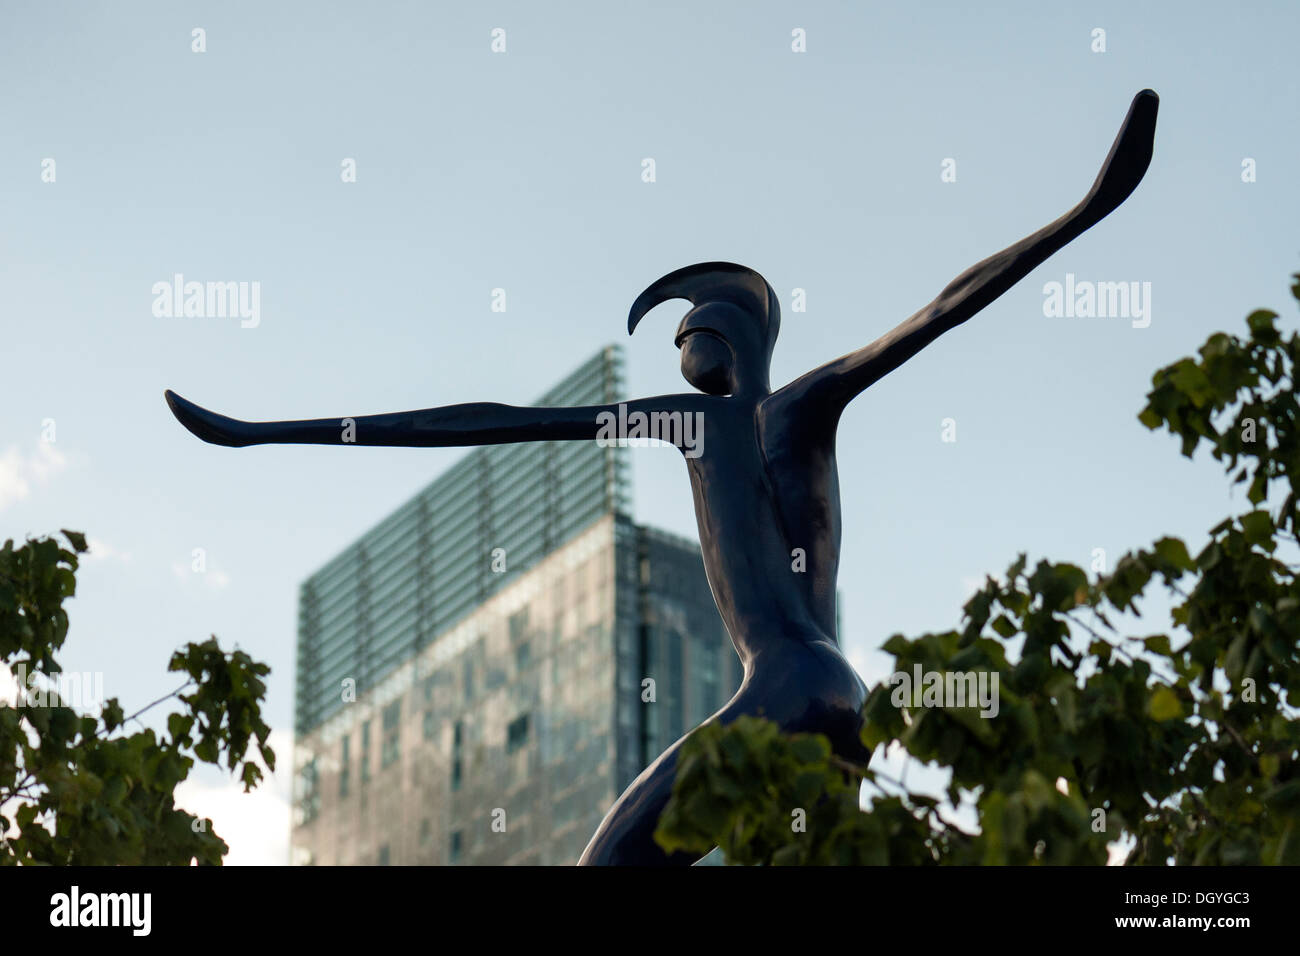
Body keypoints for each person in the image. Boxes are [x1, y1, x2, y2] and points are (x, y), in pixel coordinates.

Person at [166, 89, 1158, 865]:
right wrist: (285, 430)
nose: (680, 351)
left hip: (790, 683)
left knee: (607, 860)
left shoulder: (755, 411)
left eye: (688, 335)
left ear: (720, 338)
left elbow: (934, 311)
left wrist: (1081, 214)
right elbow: (490, 422)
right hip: (838, 696)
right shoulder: (739, 418)